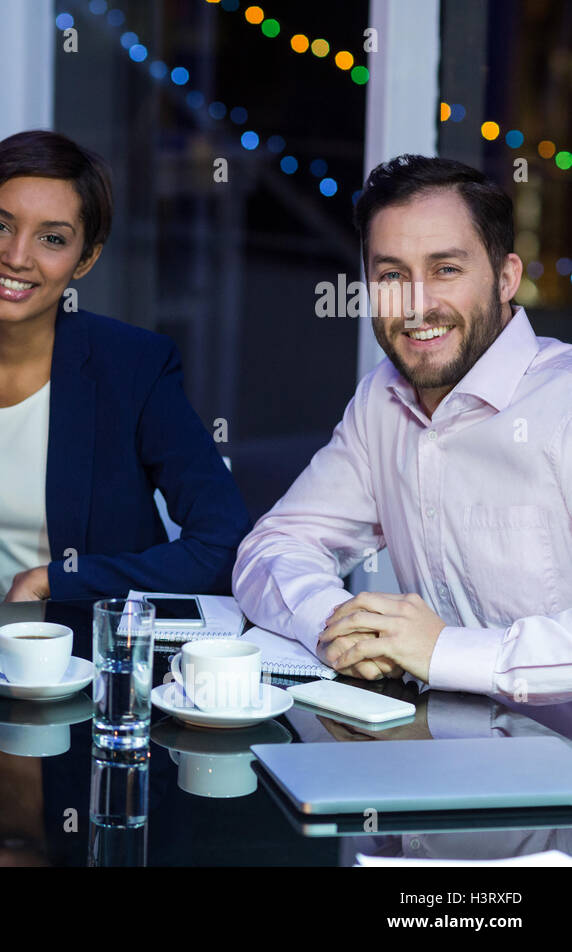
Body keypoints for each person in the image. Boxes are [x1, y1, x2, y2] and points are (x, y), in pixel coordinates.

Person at [233, 154, 572, 696]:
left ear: (507, 277)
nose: (417, 305)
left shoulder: (564, 403)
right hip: (435, 754)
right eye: (392, 275)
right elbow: (275, 547)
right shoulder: (381, 399)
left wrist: (442, 651)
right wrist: (339, 624)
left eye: (446, 270)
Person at [0, 130, 250, 604]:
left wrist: (56, 582)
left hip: (107, 659)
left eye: (52, 239)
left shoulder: (134, 366)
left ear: (86, 258)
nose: (16, 257)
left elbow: (224, 544)